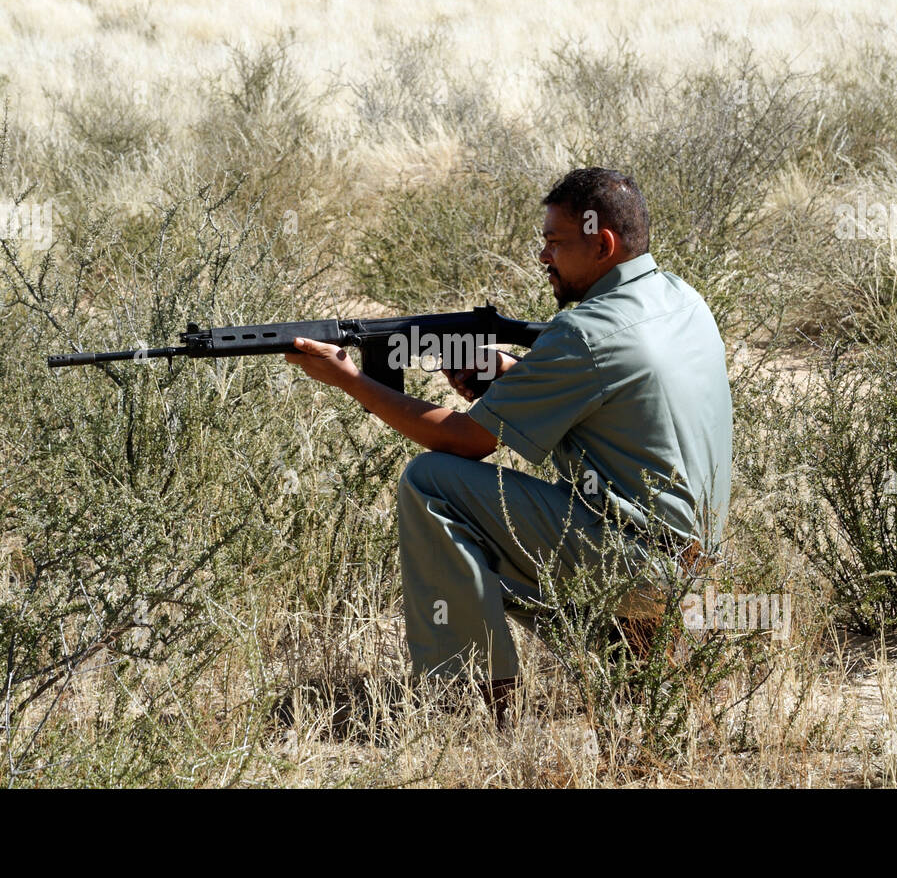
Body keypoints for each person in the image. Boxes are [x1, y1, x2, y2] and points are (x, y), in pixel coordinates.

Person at [285, 167, 732, 719]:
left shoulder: (586, 332)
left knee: (432, 483)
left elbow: (466, 442)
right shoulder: (681, 298)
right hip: (694, 567)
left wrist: (350, 381)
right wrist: (511, 374)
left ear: (603, 242)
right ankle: (639, 649)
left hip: (637, 568)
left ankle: (472, 702)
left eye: (554, 243)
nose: (544, 257)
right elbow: (612, 392)